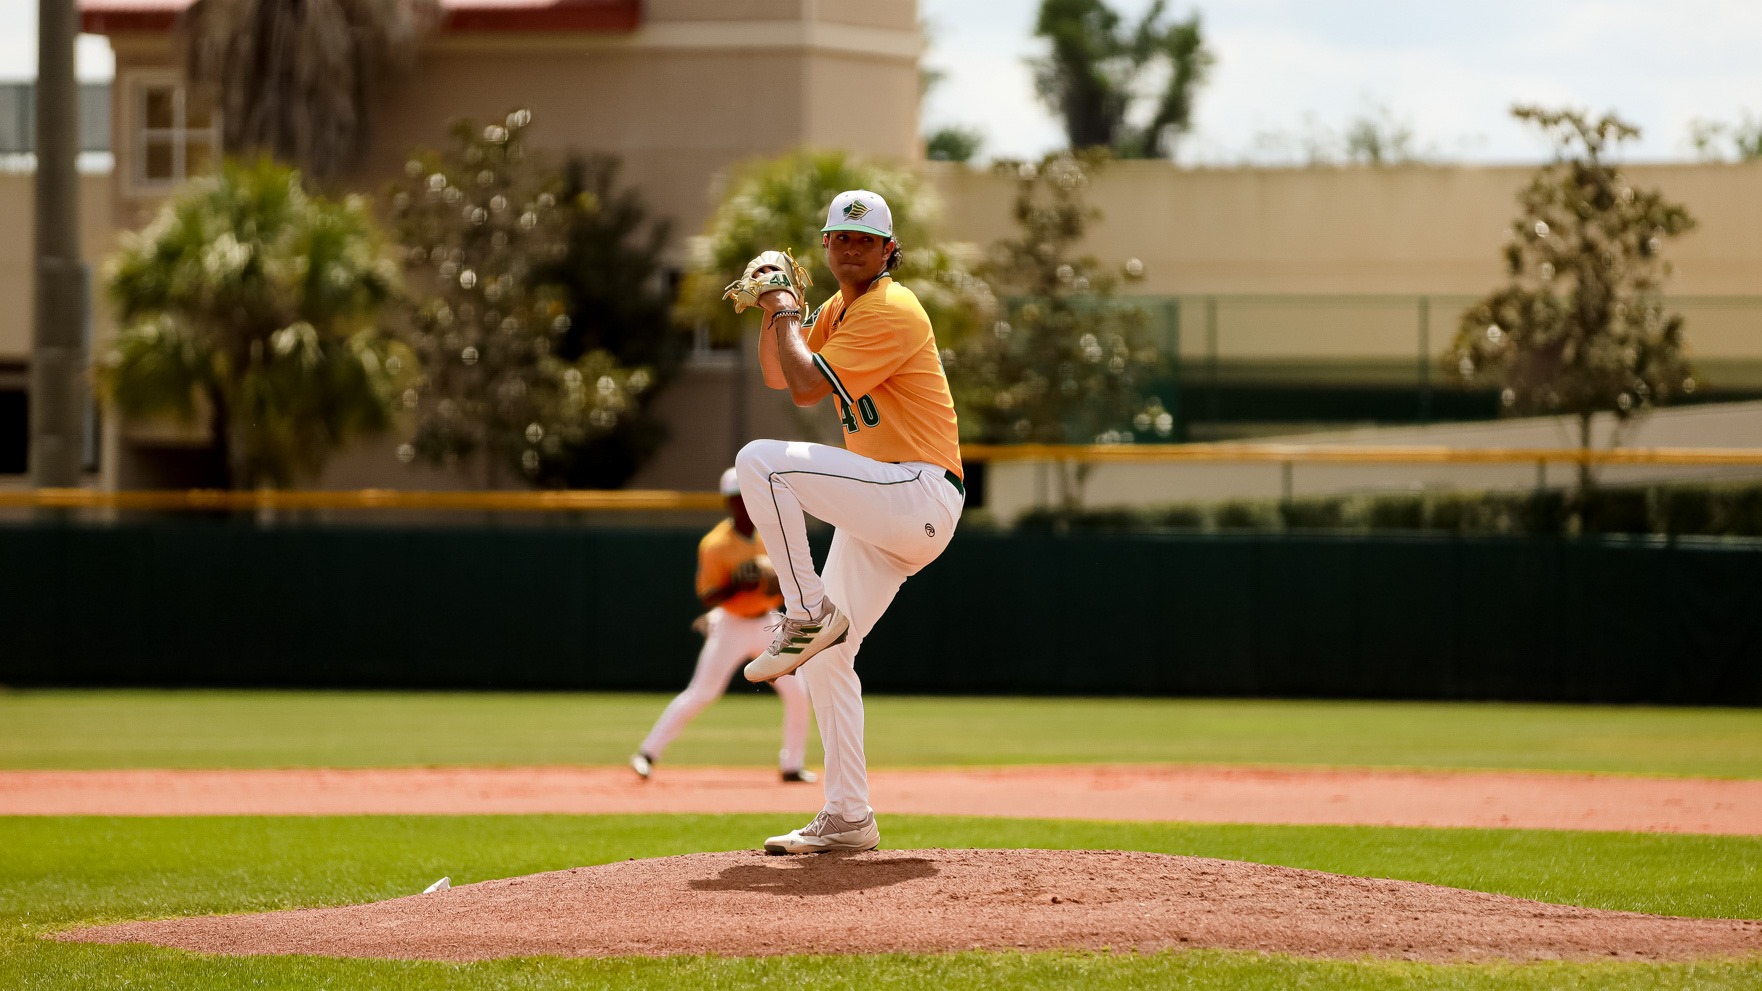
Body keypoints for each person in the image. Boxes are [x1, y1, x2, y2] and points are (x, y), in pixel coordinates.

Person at [734, 189, 964, 855]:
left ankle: (806, 609)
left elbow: (807, 388)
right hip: (887, 510)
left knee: (760, 462)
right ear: (827, 245)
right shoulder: (839, 308)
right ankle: (848, 815)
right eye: (841, 237)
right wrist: (779, 312)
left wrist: (781, 304)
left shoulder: (891, 308)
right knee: (828, 660)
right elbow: (780, 373)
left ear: (889, 250)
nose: (852, 247)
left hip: (917, 491)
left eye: (866, 239)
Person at [630, 467, 816, 785]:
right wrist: (735, 584)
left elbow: (791, 578)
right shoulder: (715, 544)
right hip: (730, 623)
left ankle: (791, 766)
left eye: (747, 496)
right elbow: (708, 595)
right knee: (703, 692)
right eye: (737, 498)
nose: (743, 503)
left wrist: (775, 582)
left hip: (769, 622)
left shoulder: (771, 533)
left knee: (798, 691)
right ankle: (647, 754)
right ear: (729, 502)